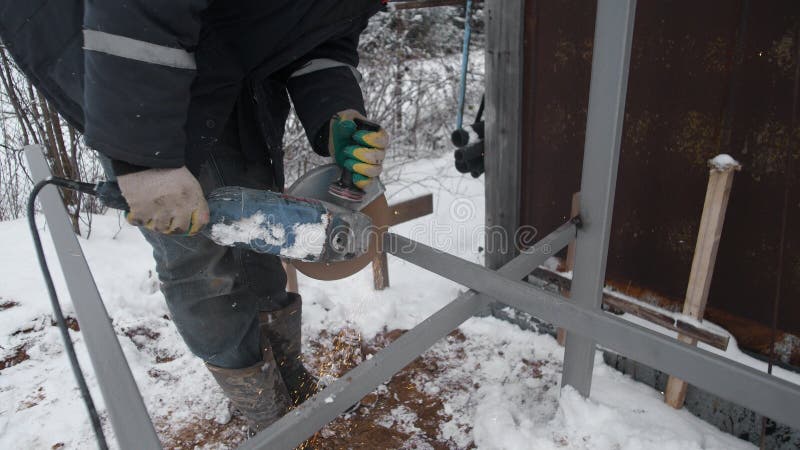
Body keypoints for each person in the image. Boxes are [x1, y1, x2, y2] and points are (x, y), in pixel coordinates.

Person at [0, 0, 390, 433]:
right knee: (198, 256)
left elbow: (321, 30)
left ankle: (287, 376)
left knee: (257, 227)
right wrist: (143, 154)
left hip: (223, 50)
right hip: (126, 53)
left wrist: (337, 111)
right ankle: (264, 409)